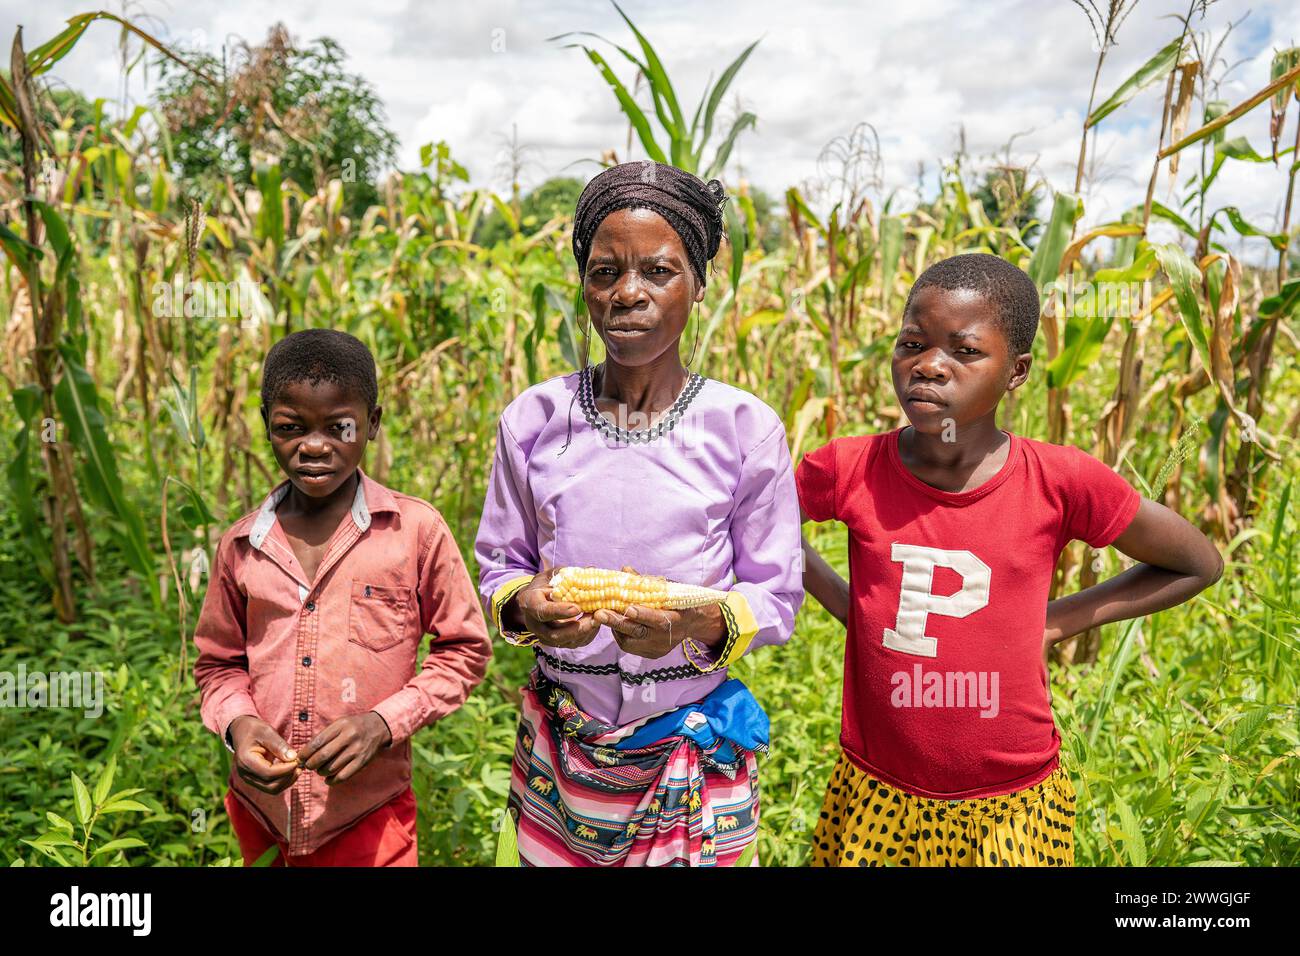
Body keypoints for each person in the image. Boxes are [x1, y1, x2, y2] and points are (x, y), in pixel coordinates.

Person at [797, 253, 1223, 866]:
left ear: (1017, 371)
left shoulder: (1059, 480)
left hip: (1010, 802)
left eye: (965, 352)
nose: (929, 366)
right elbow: (762, 527)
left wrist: (1056, 621)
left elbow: (1198, 563)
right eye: (912, 342)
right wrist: (855, 611)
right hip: (876, 790)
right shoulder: (846, 468)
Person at [474, 161, 804, 866]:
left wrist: (694, 621)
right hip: (564, 751)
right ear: (584, 285)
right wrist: (525, 604)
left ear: (700, 287)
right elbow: (501, 564)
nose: (628, 294)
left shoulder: (744, 429)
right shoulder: (533, 419)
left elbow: (774, 595)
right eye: (604, 272)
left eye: (658, 271)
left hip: (686, 749)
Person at [193, 328, 492, 866]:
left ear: (372, 423)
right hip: (264, 814)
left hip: (370, 818)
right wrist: (241, 726)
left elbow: (464, 651)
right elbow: (218, 664)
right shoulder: (241, 546)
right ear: (266, 425)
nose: (313, 445)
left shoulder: (414, 531)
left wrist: (383, 723)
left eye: (339, 427)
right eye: (290, 427)